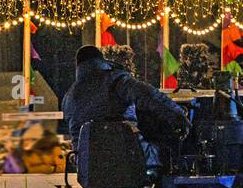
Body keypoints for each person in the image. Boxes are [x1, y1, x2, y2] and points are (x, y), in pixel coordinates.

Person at [61, 45, 191, 169]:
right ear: (101, 61)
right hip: (127, 158)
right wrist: (177, 116)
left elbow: (75, 138)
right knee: (169, 152)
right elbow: (147, 95)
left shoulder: (69, 97)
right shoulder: (115, 80)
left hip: (88, 167)